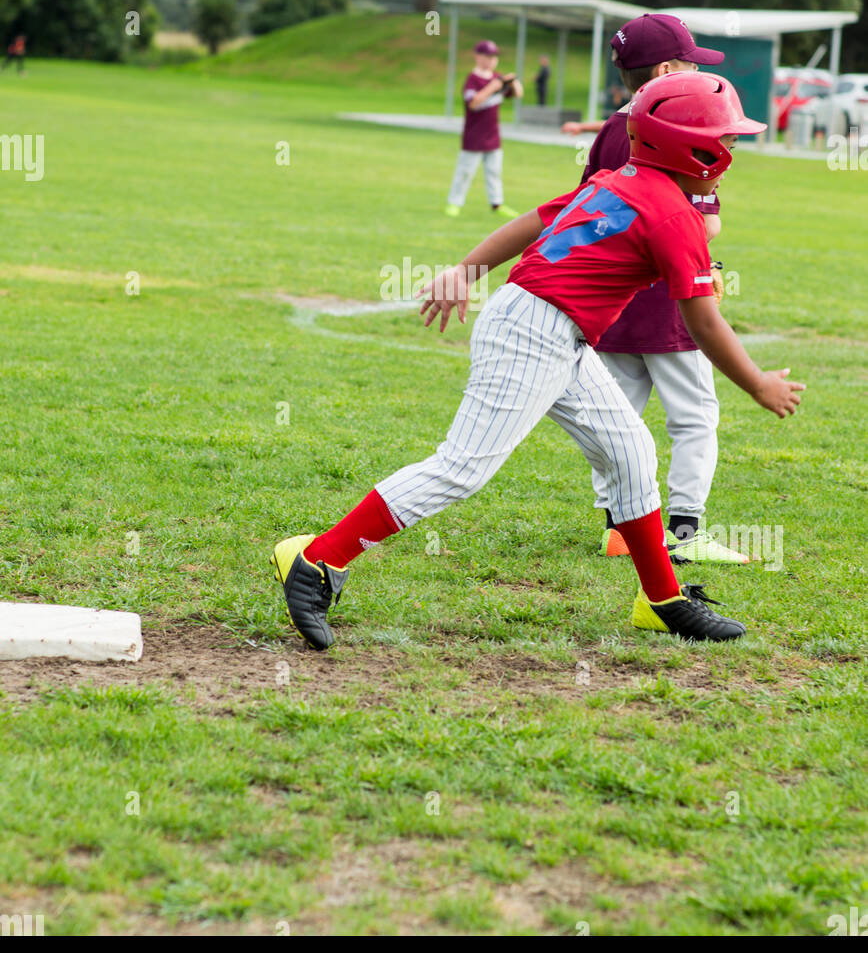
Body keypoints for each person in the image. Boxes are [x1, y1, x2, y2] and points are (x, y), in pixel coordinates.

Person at [270, 71, 803, 652]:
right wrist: (757, 384)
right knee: (462, 468)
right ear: (685, 145)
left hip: (551, 328)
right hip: (537, 330)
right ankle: (320, 560)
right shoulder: (673, 214)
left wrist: (469, 268)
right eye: (722, 137)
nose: (729, 148)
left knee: (631, 451)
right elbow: (702, 321)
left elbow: (538, 220)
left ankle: (663, 601)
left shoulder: (621, 178)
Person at [576, 14, 749, 564]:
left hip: (613, 301)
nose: (698, 72)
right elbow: (705, 223)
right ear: (668, 70)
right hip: (673, 298)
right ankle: (685, 529)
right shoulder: (682, 126)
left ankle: (618, 528)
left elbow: (585, 206)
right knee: (695, 416)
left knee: (617, 415)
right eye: (691, 63)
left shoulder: (611, 130)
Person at [444, 40, 521, 220]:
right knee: (465, 171)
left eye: (494, 57)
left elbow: (517, 94)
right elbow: (474, 102)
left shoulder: (498, 78)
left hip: (493, 135)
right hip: (474, 136)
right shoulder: (473, 80)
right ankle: (454, 203)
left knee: (494, 172)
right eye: (487, 56)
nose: (492, 60)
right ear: (477, 56)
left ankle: (497, 203)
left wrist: (514, 81)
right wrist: (494, 85)